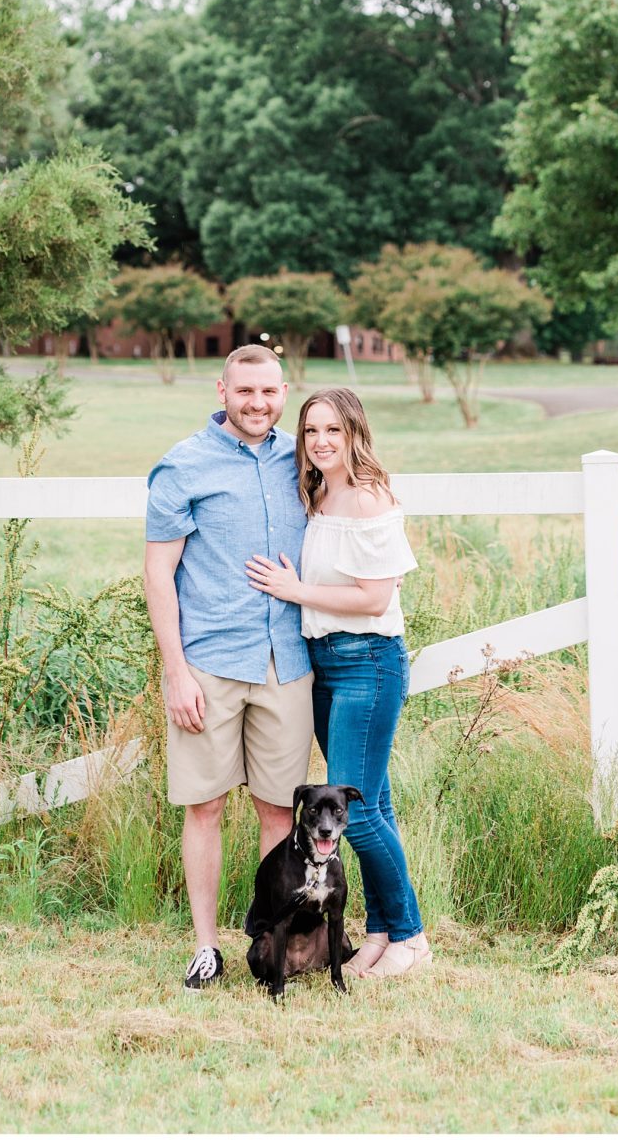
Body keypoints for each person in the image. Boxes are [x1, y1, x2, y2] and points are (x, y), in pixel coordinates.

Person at [246, 387, 432, 978]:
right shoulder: (320, 491)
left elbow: (376, 597)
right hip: (324, 662)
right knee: (374, 802)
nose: (321, 441)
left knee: (360, 811)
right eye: (310, 431)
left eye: (333, 430)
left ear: (354, 432)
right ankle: (378, 932)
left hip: (367, 663)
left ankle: (410, 936)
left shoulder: (369, 498)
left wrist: (295, 590)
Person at [144, 345, 313, 990]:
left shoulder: (303, 457)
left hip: (286, 661)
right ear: (222, 390)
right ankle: (207, 947)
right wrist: (175, 671)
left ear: (283, 391)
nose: (257, 404)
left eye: (269, 392)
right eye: (244, 392)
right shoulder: (182, 467)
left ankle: (271, 941)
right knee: (206, 805)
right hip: (209, 662)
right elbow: (158, 573)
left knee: (278, 811)